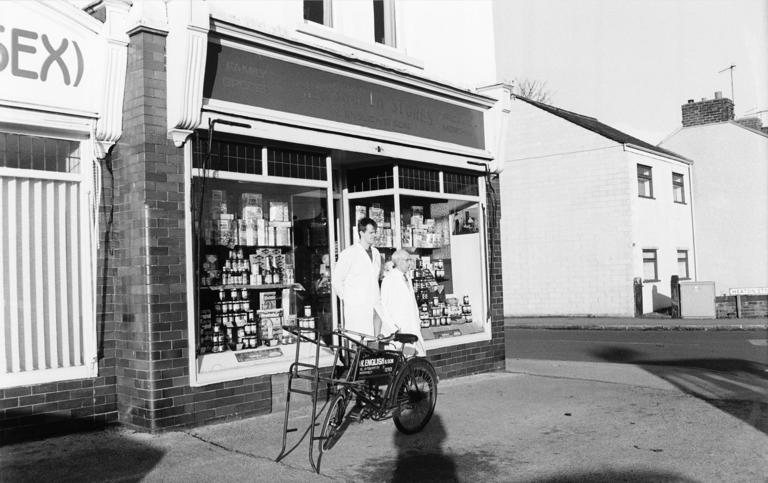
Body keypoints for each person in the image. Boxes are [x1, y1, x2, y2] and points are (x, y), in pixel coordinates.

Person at [332, 217, 396, 339]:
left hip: (375, 304)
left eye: (375, 232)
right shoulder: (349, 253)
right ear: (361, 232)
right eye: (371, 232)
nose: (374, 235)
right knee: (359, 340)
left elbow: (375, 278)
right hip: (357, 307)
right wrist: (349, 298)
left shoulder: (376, 253)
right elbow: (336, 280)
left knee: (377, 339)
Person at [380, 249, 426, 356]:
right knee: (404, 362)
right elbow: (383, 307)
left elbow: (412, 303)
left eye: (410, 260)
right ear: (399, 261)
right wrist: (393, 328)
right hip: (400, 330)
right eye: (407, 260)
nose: (410, 263)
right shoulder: (389, 280)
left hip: (412, 327)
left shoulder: (408, 279)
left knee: (418, 359)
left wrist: (417, 321)